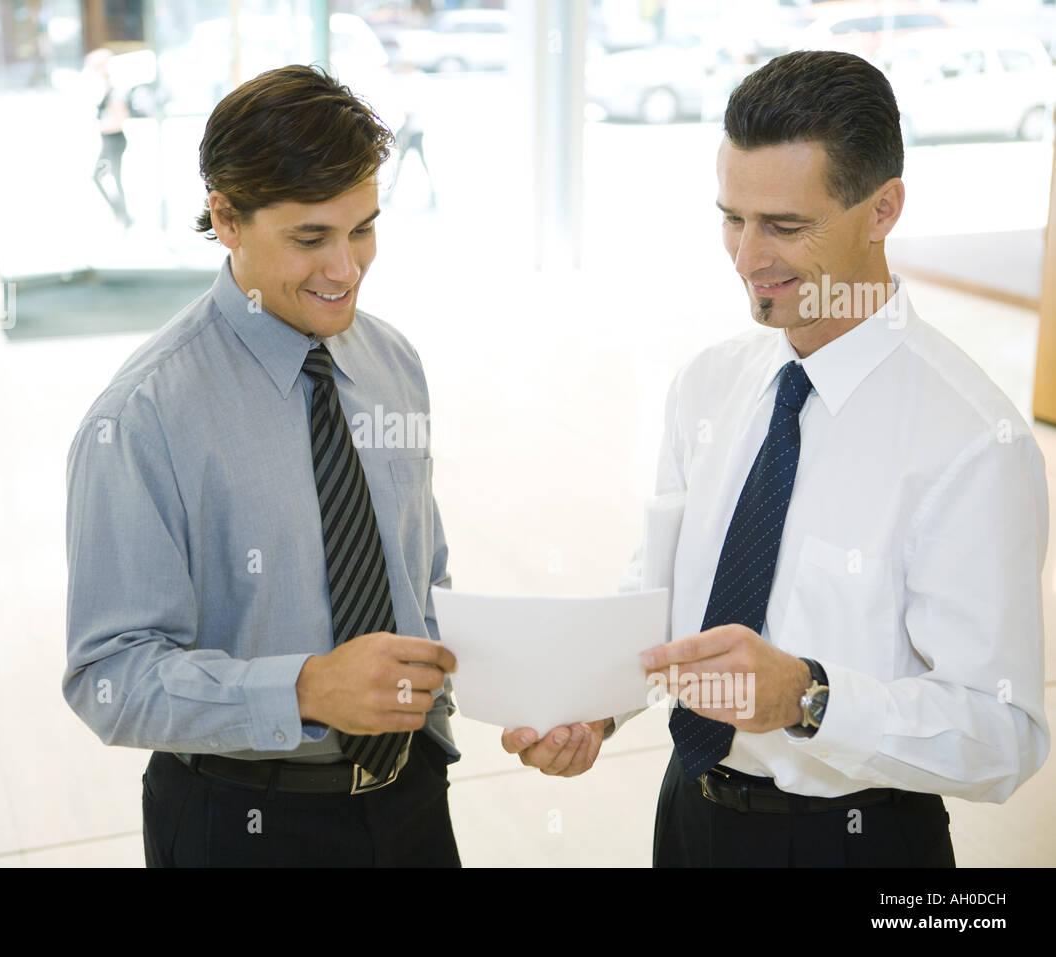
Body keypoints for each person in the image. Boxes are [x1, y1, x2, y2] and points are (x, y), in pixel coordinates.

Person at [502, 49, 1049, 866]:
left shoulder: (971, 442)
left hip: (852, 841)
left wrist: (809, 697)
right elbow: (660, 594)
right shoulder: (708, 385)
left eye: (786, 227)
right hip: (688, 815)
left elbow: (1004, 735)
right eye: (733, 217)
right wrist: (599, 703)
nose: (746, 256)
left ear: (883, 209)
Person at [62, 64, 461, 867]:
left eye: (364, 229)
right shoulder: (143, 417)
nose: (345, 269)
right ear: (227, 218)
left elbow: (424, 582)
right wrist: (305, 688)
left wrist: (530, 691)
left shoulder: (391, 362)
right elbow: (107, 676)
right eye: (310, 238)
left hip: (411, 802)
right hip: (242, 825)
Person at [85, 48, 133, 229]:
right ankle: (123, 214)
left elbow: (121, 118)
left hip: (114, 140)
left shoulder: (114, 92)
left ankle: (123, 214)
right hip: (109, 140)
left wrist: (102, 124)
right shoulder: (103, 90)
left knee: (104, 177)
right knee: (109, 178)